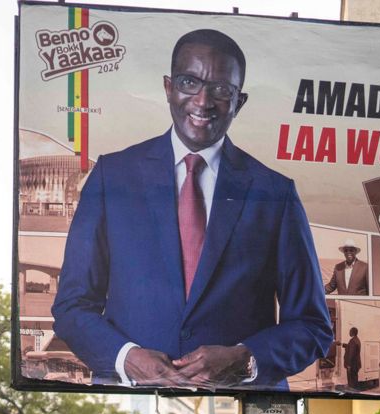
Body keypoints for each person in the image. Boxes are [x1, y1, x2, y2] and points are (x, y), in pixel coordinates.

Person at [51, 28, 332, 390]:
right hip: (129, 405)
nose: (203, 102)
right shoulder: (112, 177)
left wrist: (246, 358)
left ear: (239, 101)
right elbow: (72, 307)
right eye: (189, 82)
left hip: (242, 407)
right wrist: (127, 358)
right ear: (168, 87)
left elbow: (312, 326)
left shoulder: (275, 193)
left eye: (220, 90)